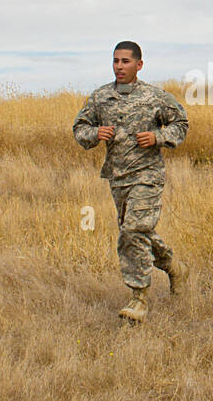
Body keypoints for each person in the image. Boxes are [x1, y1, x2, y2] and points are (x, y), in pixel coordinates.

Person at [73, 41, 189, 323]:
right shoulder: (100, 97)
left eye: (125, 61)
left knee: (133, 230)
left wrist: (158, 137)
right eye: (115, 61)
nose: (119, 66)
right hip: (117, 177)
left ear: (139, 65)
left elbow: (180, 123)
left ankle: (139, 298)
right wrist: (96, 132)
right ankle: (173, 266)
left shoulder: (154, 97)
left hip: (147, 175)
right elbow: (79, 128)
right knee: (135, 230)